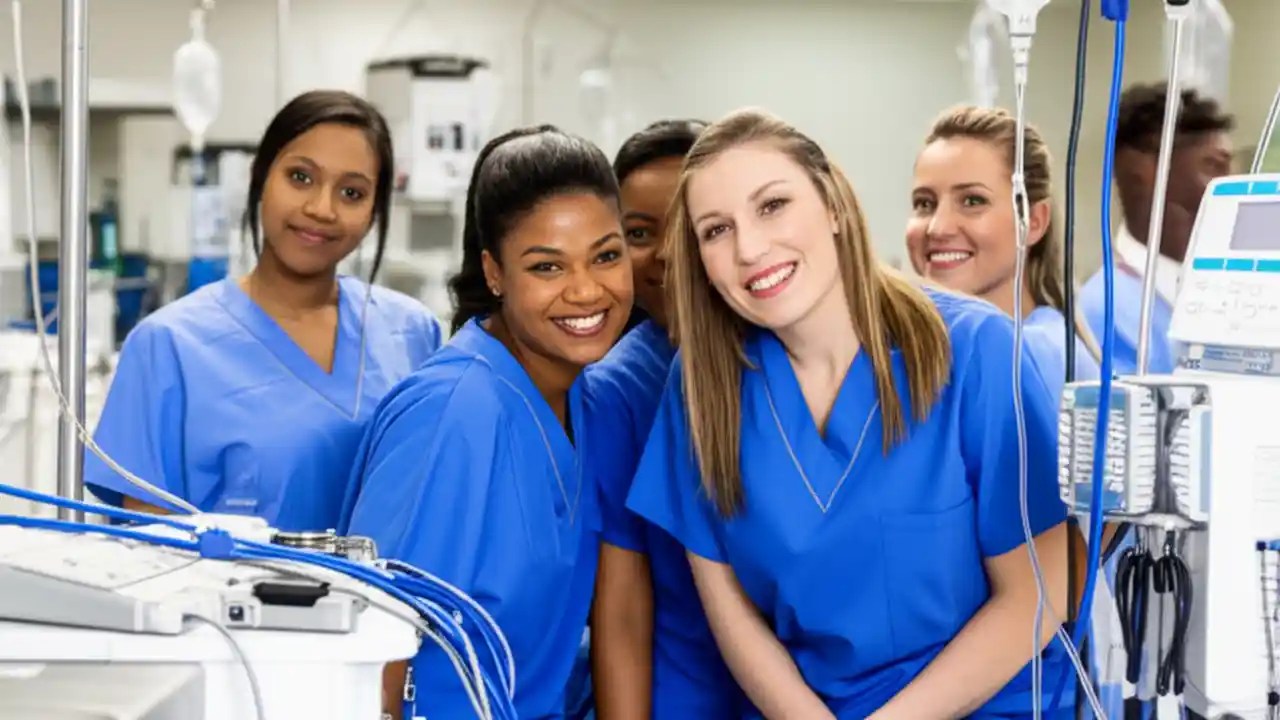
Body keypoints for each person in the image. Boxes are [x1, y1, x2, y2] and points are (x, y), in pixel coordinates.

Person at [626, 108, 1073, 719]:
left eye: (772, 205)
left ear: (832, 204)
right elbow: (729, 611)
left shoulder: (978, 353)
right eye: (716, 230)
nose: (750, 248)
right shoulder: (703, 385)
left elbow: (1037, 596)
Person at [339, 125, 633, 720]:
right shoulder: (452, 412)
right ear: (495, 274)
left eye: (606, 256)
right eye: (547, 268)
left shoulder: (590, 403)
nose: (586, 290)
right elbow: (371, 641)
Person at [84, 90, 443, 530]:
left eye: (352, 192)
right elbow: (144, 557)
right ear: (260, 178)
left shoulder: (411, 334)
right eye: (300, 177)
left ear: (373, 212)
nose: (321, 209)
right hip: (226, 599)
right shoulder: (169, 347)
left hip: (390, 600)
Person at [587, 119, 749, 720]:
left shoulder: (788, 356)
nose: (662, 255)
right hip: (685, 695)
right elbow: (622, 609)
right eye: (635, 233)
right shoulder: (620, 391)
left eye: (686, 228)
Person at [905, 105, 1099, 400]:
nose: (938, 228)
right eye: (924, 203)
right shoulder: (939, 355)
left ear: (1033, 222)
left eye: (972, 201)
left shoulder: (1036, 355)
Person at [1079, 83, 1234, 375]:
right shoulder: (1104, 316)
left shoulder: (1230, 294)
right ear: (1140, 174)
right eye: (1214, 166)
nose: (1231, 186)